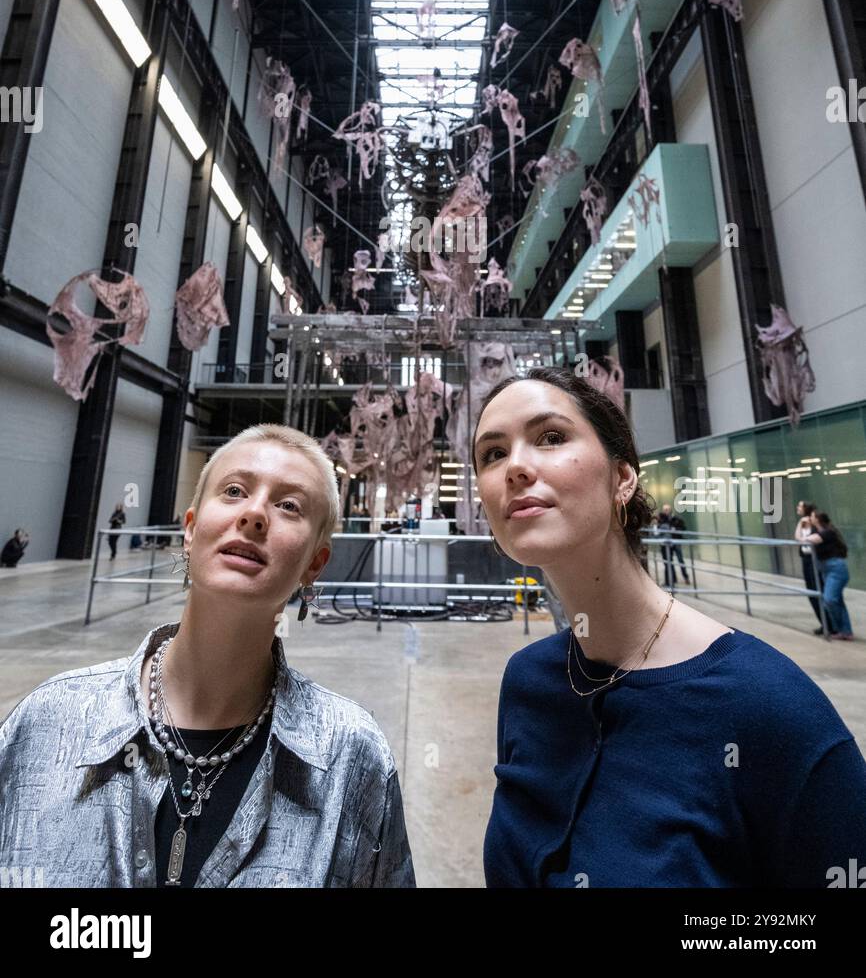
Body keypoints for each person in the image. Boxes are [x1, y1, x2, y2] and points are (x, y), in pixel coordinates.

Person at [473, 367, 866, 888]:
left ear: (622, 478)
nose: (515, 467)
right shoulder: (529, 681)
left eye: (550, 437)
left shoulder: (767, 705)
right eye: (492, 454)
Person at [0, 423, 415, 888]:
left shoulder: (352, 756)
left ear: (314, 565)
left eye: (288, 506)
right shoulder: (47, 722)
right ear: (191, 530)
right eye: (235, 491)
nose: (255, 513)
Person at [799, 511, 853, 641]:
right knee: (837, 601)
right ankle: (845, 631)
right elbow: (799, 539)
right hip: (826, 570)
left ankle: (841, 629)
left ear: (817, 519)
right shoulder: (817, 532)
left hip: (836, 570)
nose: (810, 519)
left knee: (829, 600)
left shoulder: (828, 532)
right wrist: (801, 526)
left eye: (812, 517)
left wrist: (804, 532)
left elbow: (807, 540)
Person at [794, 500, 825, 632]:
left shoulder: (814, 523)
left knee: (818, 590)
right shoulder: (802, 522)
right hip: (806, 559)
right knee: (811, 592)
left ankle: (828, 624)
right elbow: (797, 537)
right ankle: (823, 623)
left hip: (815, 559)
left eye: (800, 506)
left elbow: (808, 538)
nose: (797, 508)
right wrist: (800, 524)